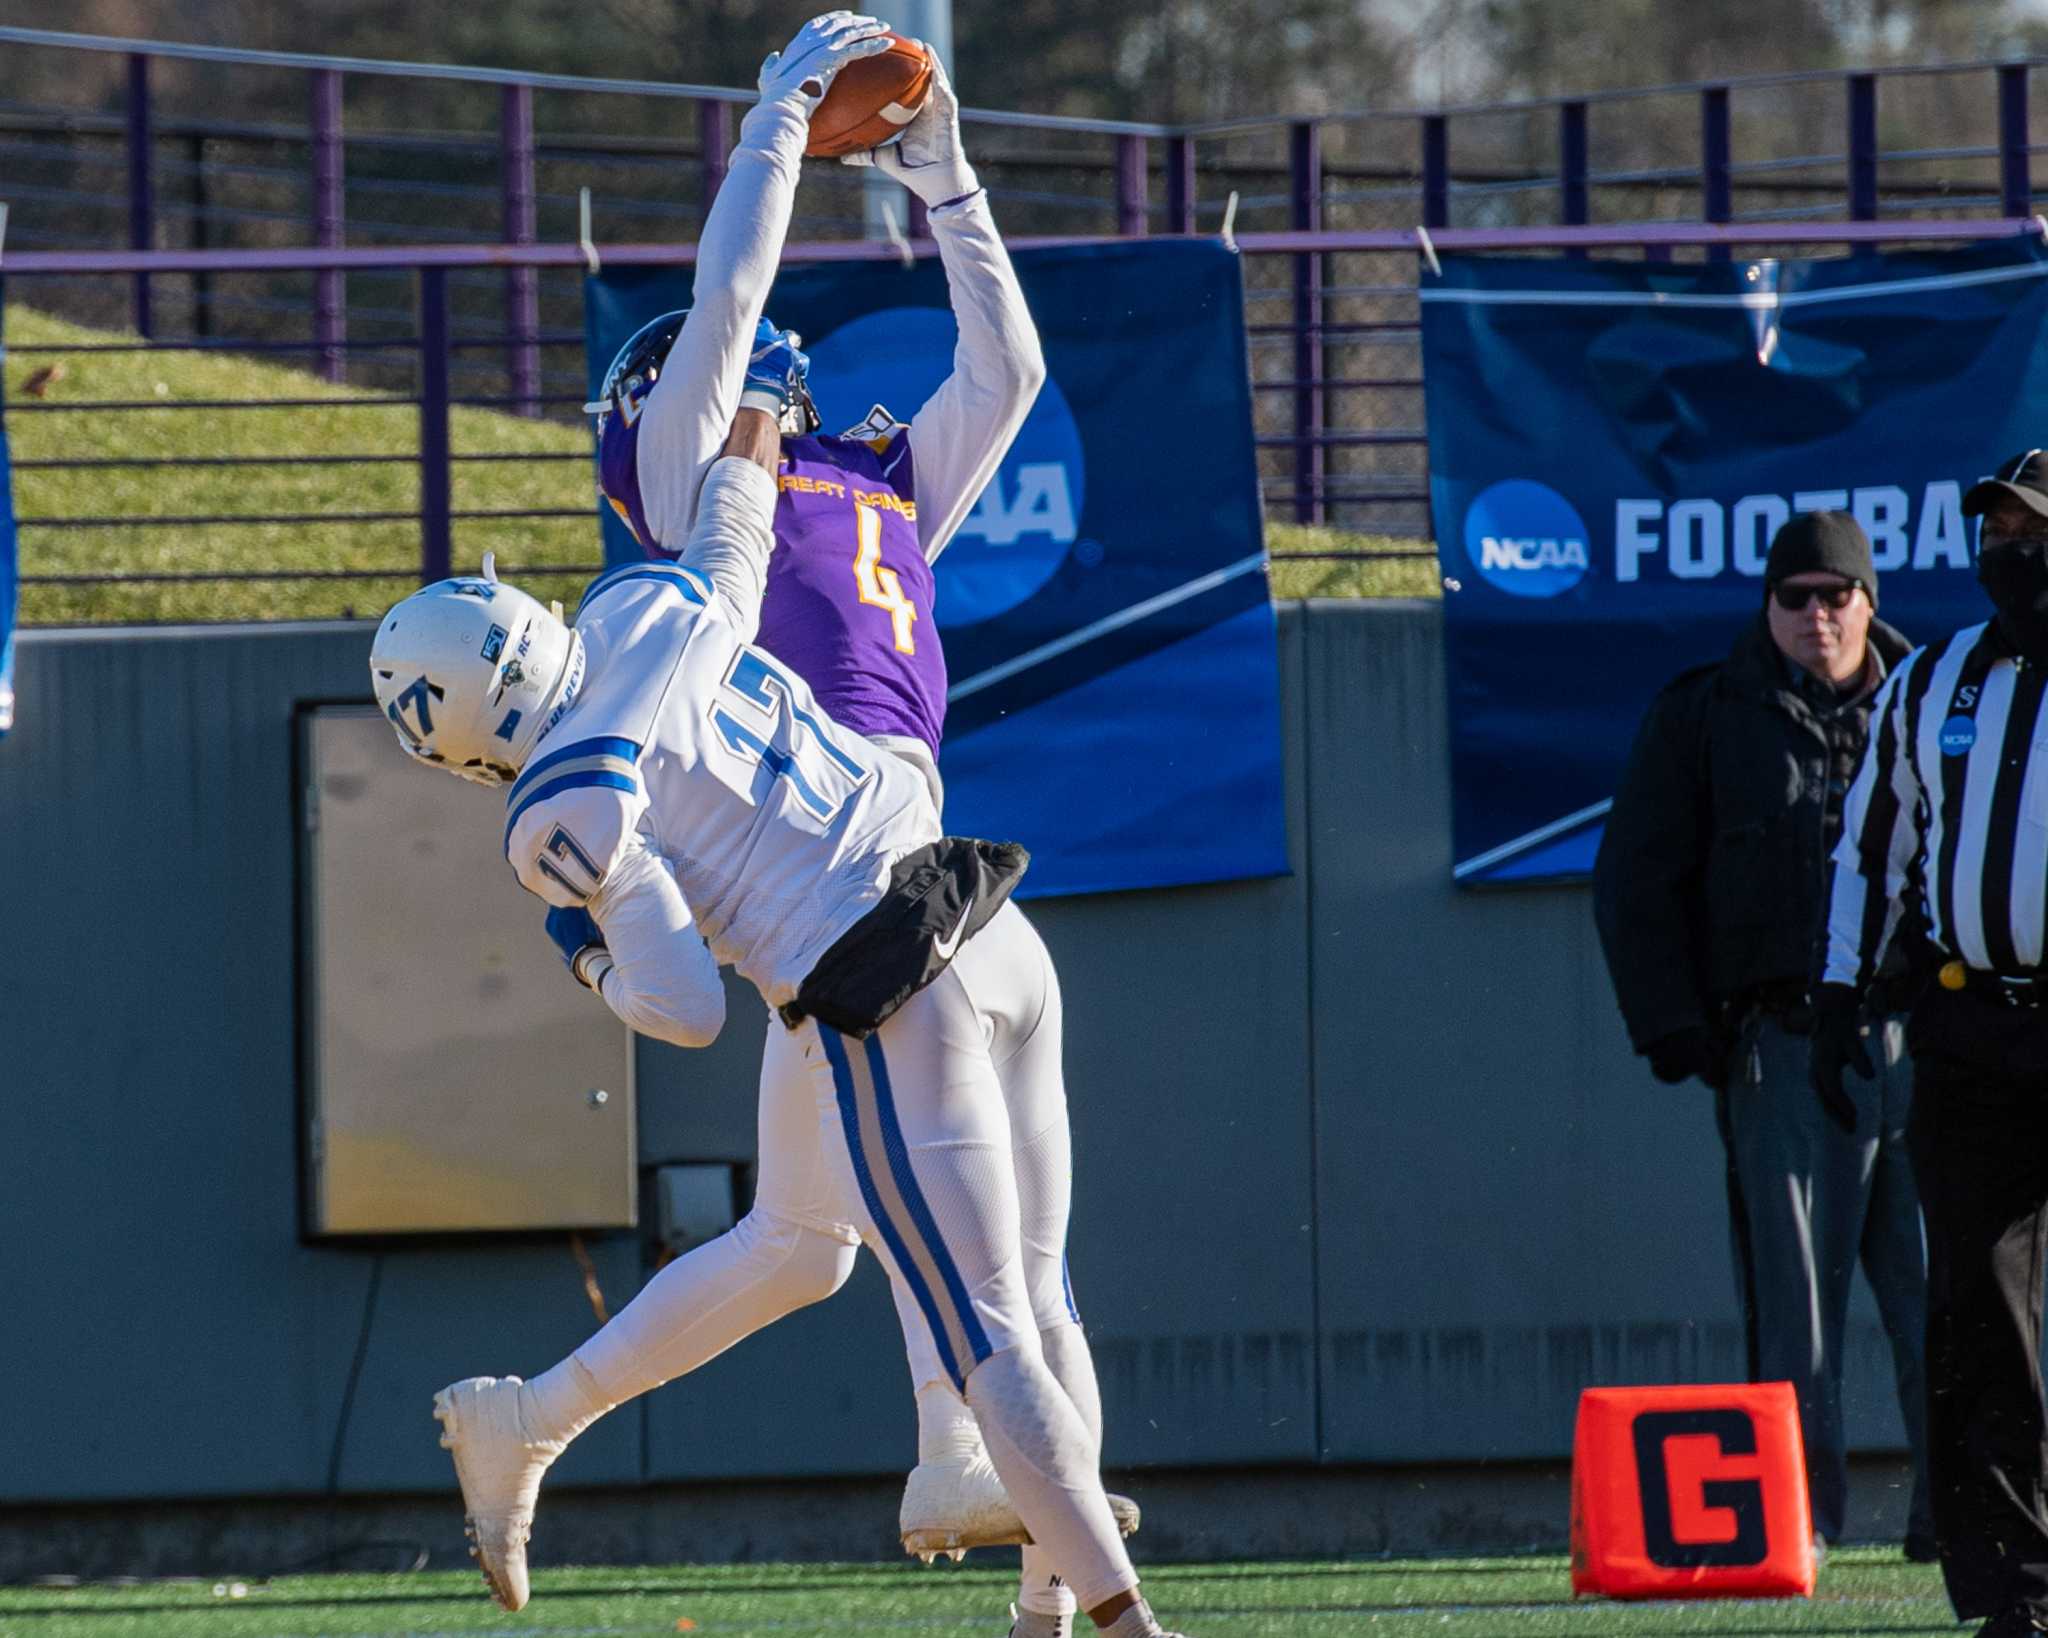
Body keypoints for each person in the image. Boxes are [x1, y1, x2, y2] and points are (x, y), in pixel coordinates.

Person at [370, 392, 1179, 1638]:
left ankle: (1108, 1618)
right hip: (984, 911)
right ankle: (1037, 1613)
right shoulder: (636, 605)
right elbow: (737, 530)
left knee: (980, 1332)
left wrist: (591, 958)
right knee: (958, 1276)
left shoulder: (556, 820)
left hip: (880, 986)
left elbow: (686, 1008)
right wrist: (757, 410)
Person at [584, 11, 1134, 1619]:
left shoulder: (702, 500)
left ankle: (967, 1475)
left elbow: (734, 297)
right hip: (957, 885)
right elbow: (1012, 368)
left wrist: (773, 127)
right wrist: (947, 183)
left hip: (845, 901)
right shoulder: (883, 482)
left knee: (893, 1257)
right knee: (1002, 1273)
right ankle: (1037, 1577)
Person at [1593, 510, 1933, 1558]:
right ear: (1766, 606)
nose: (1816, 616)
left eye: (1836, 595)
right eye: (1795, 596)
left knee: (1953, 1300)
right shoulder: (1706, 714)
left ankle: (1967, 1515)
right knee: (1795, 1319)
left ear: (1869, 603)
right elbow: (1634, 880)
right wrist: (1674, 1027)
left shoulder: (1936, 705)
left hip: (1926, 1042)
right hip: (1777, 1046)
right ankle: (1799, 1528)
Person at [1816, 452, 2048, 1637]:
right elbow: (1873, 842)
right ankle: (2013, 1589)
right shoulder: (1936, 677)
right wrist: (1836, 993)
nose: (2008, 547)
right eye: (1994, 527)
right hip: (1970, 1028)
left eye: (2029, 527)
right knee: (1973, 1312)